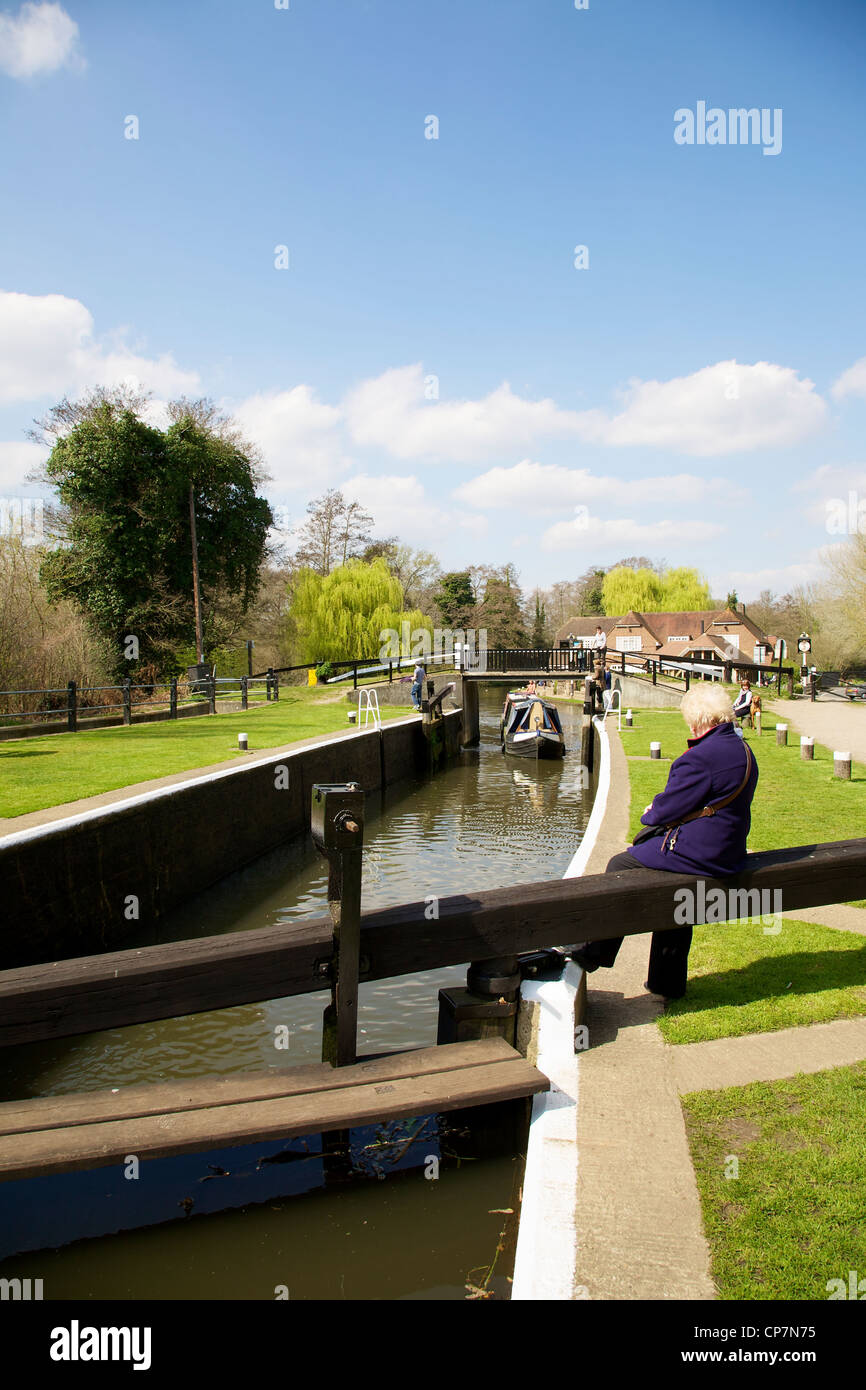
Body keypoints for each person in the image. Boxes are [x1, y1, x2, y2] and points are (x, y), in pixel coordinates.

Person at [568, 684, 759, 999]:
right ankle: (665, 982)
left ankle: (595, 950)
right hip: (729, 850)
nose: (690, 728)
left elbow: (667, 808)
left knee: (621, 865)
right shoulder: (744, 750)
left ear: (698, 721)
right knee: (675, 893)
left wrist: (651, 811)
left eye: (690, 722)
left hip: (701, 854)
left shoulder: (699, 758)